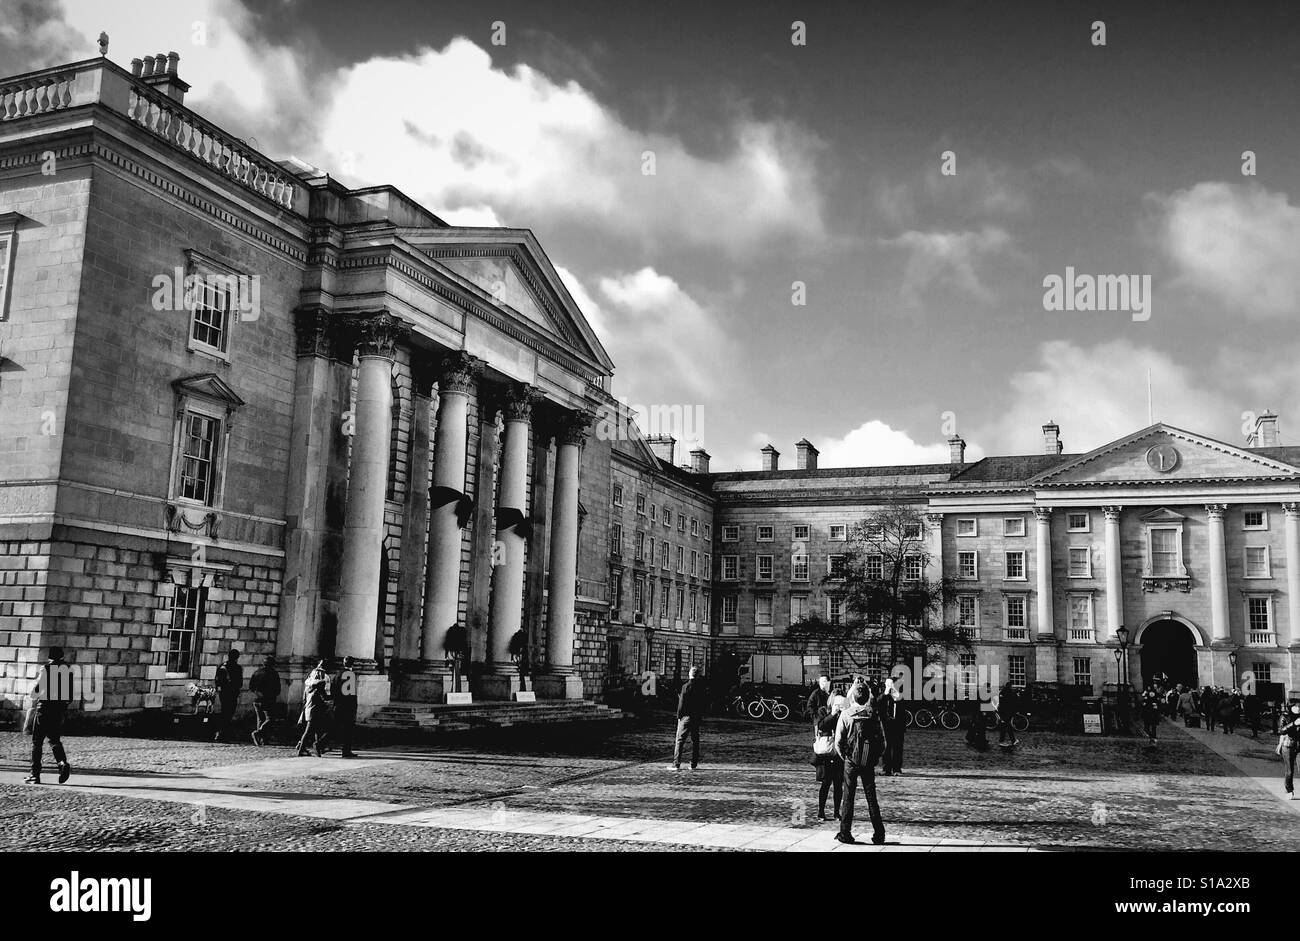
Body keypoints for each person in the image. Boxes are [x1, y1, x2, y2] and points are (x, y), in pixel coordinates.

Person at [833, 676, 886, 845]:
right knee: (872, 797)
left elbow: (838, 742)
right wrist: (874, 757)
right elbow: (883, 742)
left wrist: (847, 757)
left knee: (848, 796)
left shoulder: (846, 714)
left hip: (851, 760)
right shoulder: (873, 714)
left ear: (853, 697)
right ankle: (879, 834)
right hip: (868, 760)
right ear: (867, 697)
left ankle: (845, 832)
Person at [24, 646, 73, 785]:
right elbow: (69, 697)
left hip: (44, 709)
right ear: (62, 656)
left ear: (49, 657)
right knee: (54, 739)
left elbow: (37, 690)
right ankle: (62, 763)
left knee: (37, 742)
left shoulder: (46, 669)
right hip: (58, 710)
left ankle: (35, 774)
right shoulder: (67, 670)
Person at [813, 692, 846, 820]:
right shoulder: (822, 710)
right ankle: (821, 811)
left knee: (838, 784)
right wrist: (832, 713)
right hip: (826, 752)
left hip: (838, 752)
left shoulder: (844, 713)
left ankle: (837, 812)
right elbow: (820, 726)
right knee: (826, 783)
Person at [669, 666, 706, 771]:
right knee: (695, 741)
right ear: (698, 675)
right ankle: (693, 764)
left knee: (680, 740)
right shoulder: (701, 687)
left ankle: (676, 764)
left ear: (690, 674)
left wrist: (679, 716)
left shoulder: (686, 686)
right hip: (696, 716)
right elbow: (704, 703)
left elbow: (681, 704)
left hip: (686, 716)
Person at [296, 661, 331, 757]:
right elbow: (325, 697)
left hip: (309, 708)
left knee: (317, 730)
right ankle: (302, 748)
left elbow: (304, 698)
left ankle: (318, 748)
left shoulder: (308, 684)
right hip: (316, 710)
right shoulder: (320, 684)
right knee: (309, 731)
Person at [248, 656, 281, 746]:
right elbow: (277, 689)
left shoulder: (257, 672)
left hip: (257, 699)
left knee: (261, 719)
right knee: (270, 719)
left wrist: (257, 693)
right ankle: (258, 733)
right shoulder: (273, 673)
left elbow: (251, 686)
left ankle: (262, 740)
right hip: (268, 699)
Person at [213, 648, 243, 743]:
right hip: (232, 693)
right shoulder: (237, 668)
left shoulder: (222, 666)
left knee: (225, 712)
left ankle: (223, 732)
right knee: (229, 713)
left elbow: (217, 681)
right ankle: (223, 733)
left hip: (224, 693)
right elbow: (240, 683)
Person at [332, 656, 359, 759]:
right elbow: (351, 694)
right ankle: (346, 751)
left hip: (338, 704)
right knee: (348, 730)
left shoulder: (338, 674)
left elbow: (333, 689)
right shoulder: (350, 675)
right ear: (353, 664)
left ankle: (320, 744)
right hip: (347, 707)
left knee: (335, 727)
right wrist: (354, 707)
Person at [879, 676, 905, 775]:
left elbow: (904, 704)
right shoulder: (884, 695)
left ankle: (897, 769)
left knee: (897, 747)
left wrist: (896, 693)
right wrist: (886, 693)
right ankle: (886, 768)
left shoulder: (900, 694)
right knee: (886, 747)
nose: (887, 685)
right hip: (886, 725)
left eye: (889, 683)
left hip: (898, 725)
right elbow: (878, 703)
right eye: (887, 683)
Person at [1278, 703, 1300, 800]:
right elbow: (1281, 730)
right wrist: (1294, 724)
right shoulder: (1285, 716)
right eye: (1296, 706)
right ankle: (1289, 790)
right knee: (1289, 771)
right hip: (1288, 745)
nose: (1298, 709)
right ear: (1291, 707)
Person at [996, 683, 1018, 748]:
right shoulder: (1010, 693)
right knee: (1005, 726)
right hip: (1006, 712)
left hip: (1003, 711)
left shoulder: (1002, 692)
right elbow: (1013, 702)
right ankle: (1002, 741)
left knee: (1007, 726)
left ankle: (1013, 740)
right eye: (1012, 686)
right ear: (1010, 686)